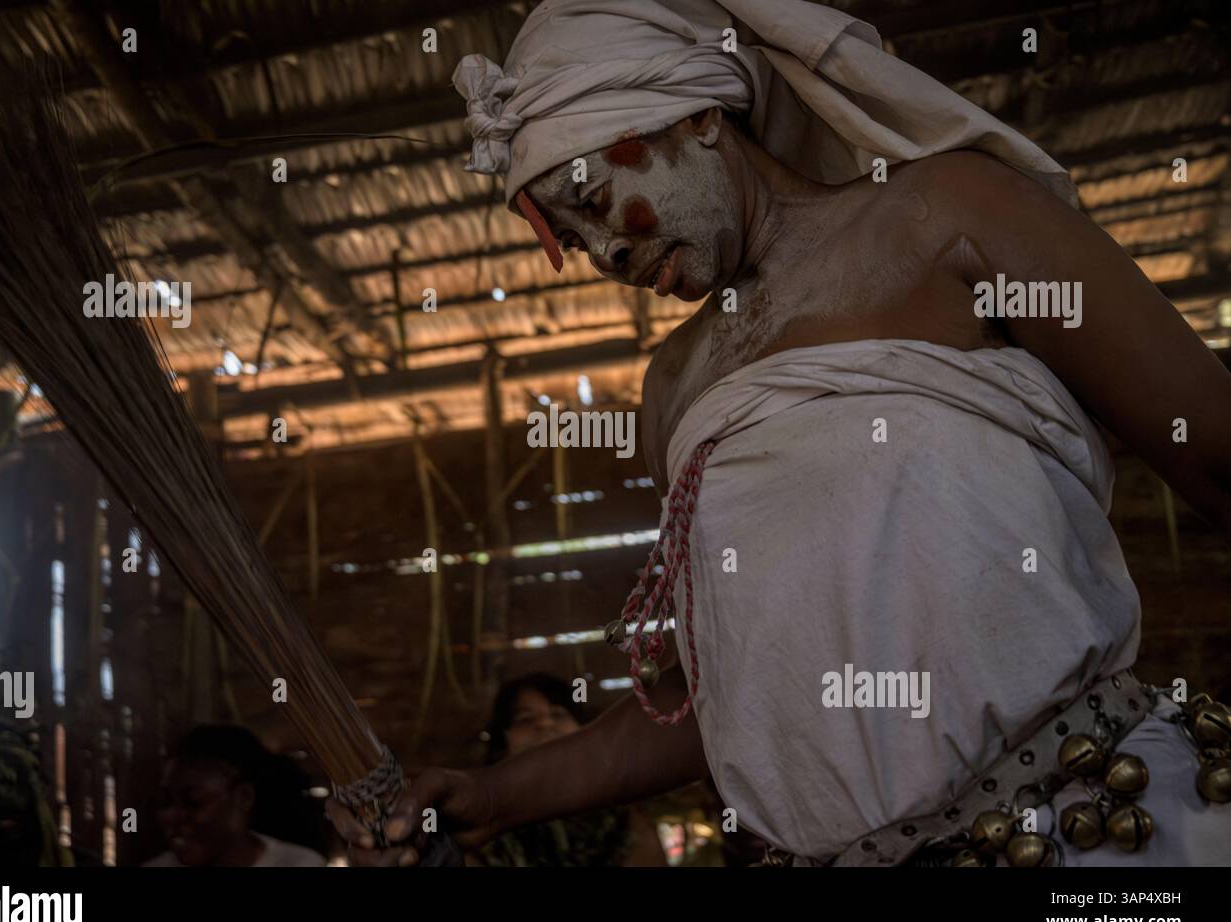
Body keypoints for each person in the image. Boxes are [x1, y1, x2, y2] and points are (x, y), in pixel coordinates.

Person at [328, 0, 1231, 866]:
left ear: (699, 120)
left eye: (597, 201)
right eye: (573, 236)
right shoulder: (675, 391)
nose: (604, 254)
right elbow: (713, 700)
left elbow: (1217, 451)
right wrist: (497, 796)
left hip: (1098, 834)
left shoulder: (947, 216)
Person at [471, 673, 667, 866]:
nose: (545, 724)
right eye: (525, 719)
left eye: (558, 714)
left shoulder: (623, 817)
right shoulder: (485, 822)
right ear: (502, 745)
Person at [145, 725, 325, 867]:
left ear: (243, 798)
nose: (169, 816)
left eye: (194, 802)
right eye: (166, 801)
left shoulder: (299, 864)